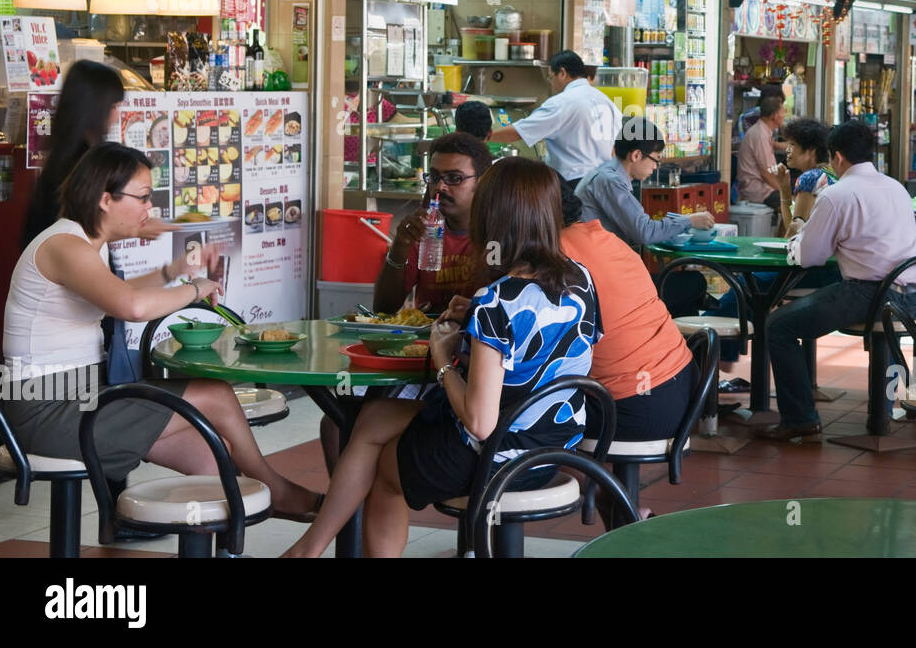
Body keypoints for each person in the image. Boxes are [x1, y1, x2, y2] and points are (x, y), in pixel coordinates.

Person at [284, 158, 602, 558]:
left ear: (492, 218)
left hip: (498, 454)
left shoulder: (498, 300)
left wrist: (443, 359)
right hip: (554, 444)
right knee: (374, 417)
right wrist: (477, 319)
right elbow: (548, 338)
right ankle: (307, 549)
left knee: (387, 469)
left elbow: (480, 422)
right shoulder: (580, 278)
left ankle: (313, 550)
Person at [3, 143, 321, 519]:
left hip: (81, 395)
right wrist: (195, 289)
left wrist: (175, 270)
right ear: (106, 199)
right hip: (46, 409)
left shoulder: (85, 243)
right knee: (215, 395)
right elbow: (132, 307)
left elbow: (123, 293)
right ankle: (278, 489)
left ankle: (234, 527)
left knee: (213, 454)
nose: (148, 209)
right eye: (142, 197)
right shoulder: (64, 246)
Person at [757, 121, 916, 441]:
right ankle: (883, 412)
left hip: (872, 295)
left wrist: (797, 239)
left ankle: (800, 418)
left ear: (836, 157)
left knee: (778, 326)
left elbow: (810, 257)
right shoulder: (896, 187)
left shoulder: (837, 195)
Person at [559, 179, 695, 442]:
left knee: (524, 415)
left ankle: (525, 478)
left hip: (635, 408)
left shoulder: (552, 254)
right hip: (681, 387)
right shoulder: (603, 237)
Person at [373, 133, 492, 315]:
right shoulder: (422, 231)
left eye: (454, 178)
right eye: (435, 177)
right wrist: (399, 247)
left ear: (481, 182)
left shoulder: (496, 234)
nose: (439, 187)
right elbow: (383, 309)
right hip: (426, 341)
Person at [23, 61, 127, 248]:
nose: (117, 116)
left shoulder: (62, 154)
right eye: (114, 107)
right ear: (94, 109)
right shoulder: (82, 163)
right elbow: (89, 231)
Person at [576, 117, 713, 249]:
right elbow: (644, 231)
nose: (655, 167)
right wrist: (689, 221)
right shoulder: (609, 181)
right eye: (656, 160)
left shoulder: (607, 175)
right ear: (636, 155)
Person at [488, 50, 620, 186]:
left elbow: (519, 132)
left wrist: (484, 137)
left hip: (574, 183)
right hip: (605, 181)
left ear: (562, 73)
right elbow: (615, 147)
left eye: (551, 77)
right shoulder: (607, 101)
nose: (551, 83)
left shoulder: (561, 102)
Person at [772, 118, 836, 236]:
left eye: (792, 145)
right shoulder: (831, 173)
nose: (787, 149)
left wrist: (784, 190)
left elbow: (793, 233)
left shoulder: (810, 178)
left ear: (810, 151)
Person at [736, 92, 785, 212]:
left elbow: (774, 146)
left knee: (794, 206)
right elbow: (766, 174)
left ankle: (784, 231)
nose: (784, 115)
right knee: (793, 207)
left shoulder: (763, 132)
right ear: (775, 115)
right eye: (783, 111)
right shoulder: (760, 135)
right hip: (757, 190)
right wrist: (784, 192)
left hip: (762, 187)